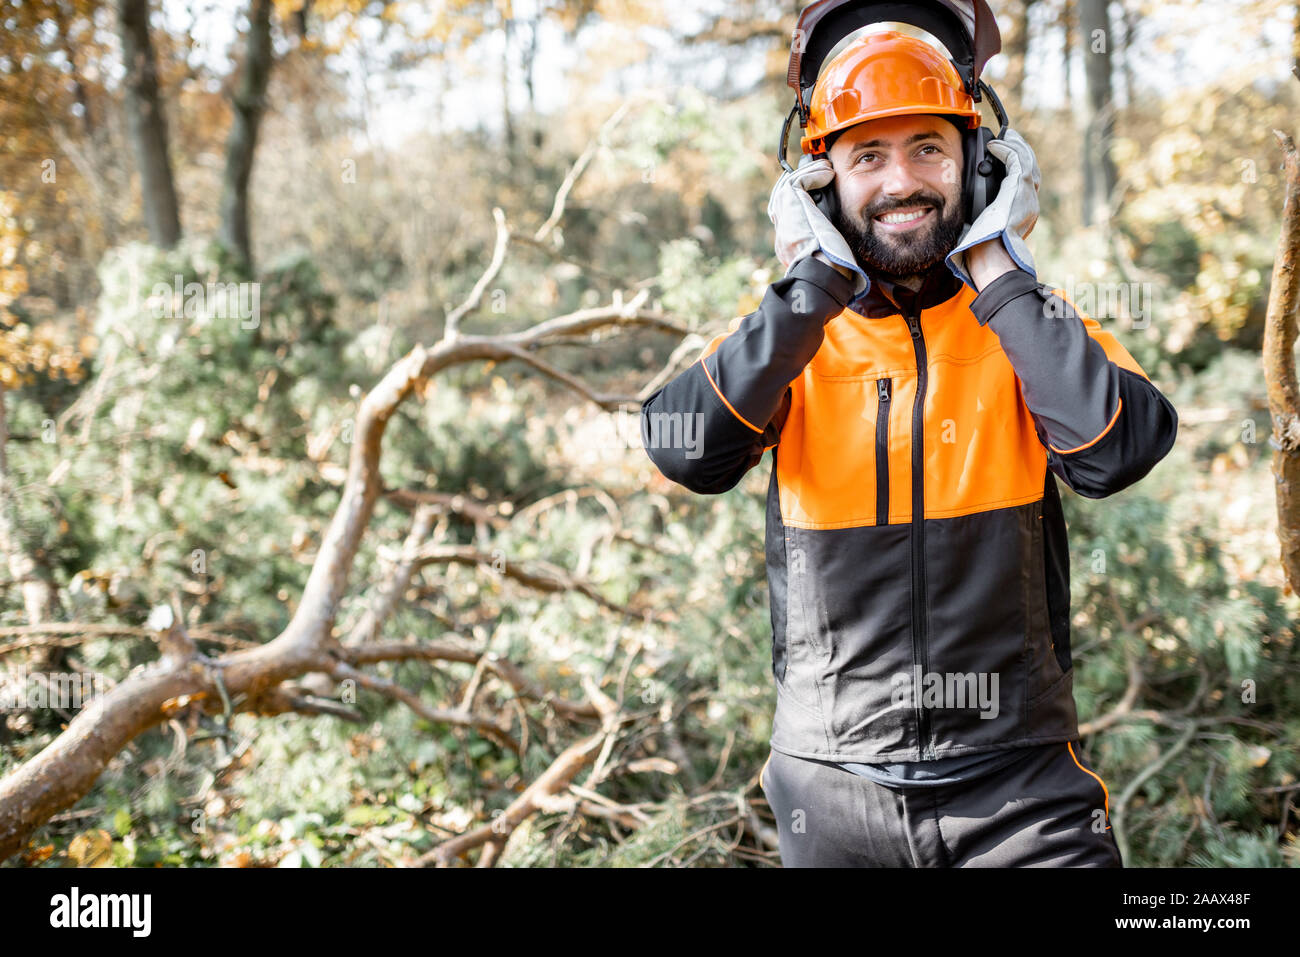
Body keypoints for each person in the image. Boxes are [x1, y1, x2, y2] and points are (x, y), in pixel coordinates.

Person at [639, 30, 1178, 867]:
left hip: (1019, 785)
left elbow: (1116, 450)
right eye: (867, 156)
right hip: (831, 787)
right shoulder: (793, 336)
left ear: (978, 163)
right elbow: (685, 449)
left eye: (928, 148)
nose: (902, 182)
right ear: (821, 183)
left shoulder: (1029, 322)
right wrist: (810, 284)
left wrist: (1000, 271)